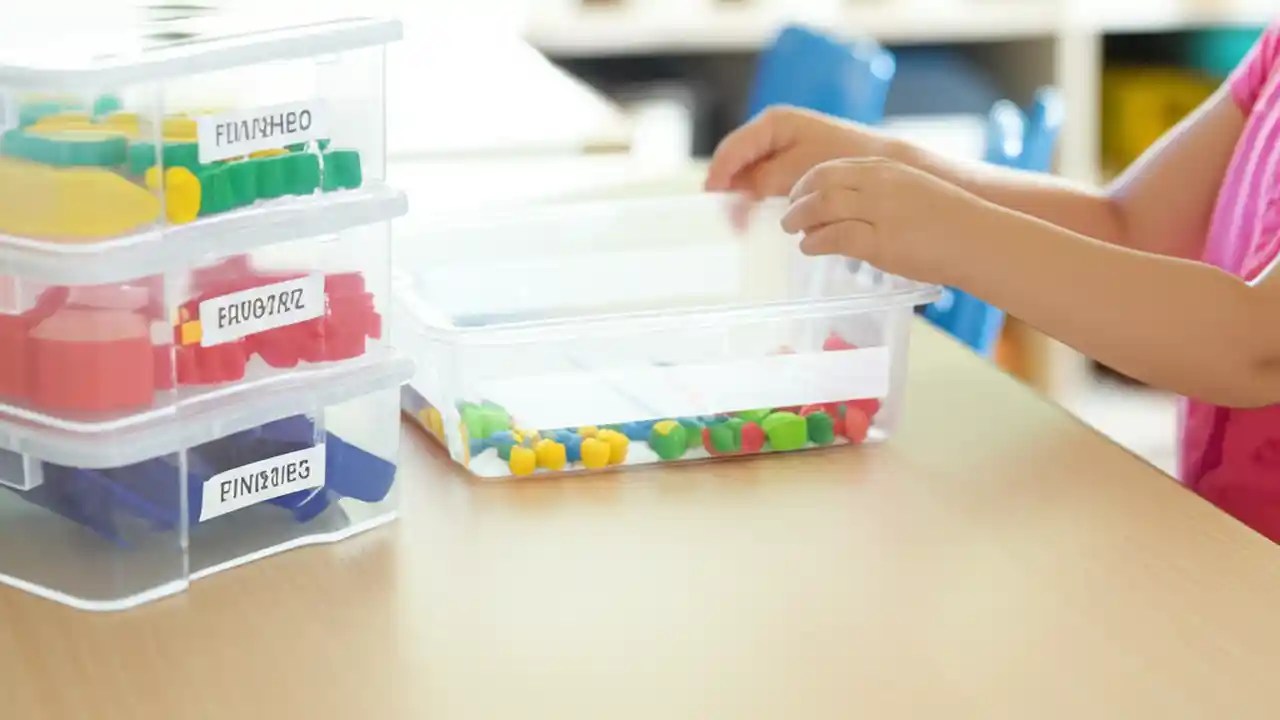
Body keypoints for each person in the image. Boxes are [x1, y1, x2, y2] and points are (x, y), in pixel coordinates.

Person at [706, 27, 1280, 541]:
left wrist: (955, 233)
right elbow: (1130, 228)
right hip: (1232, 556)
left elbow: (1256, 345)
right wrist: (888, 162)